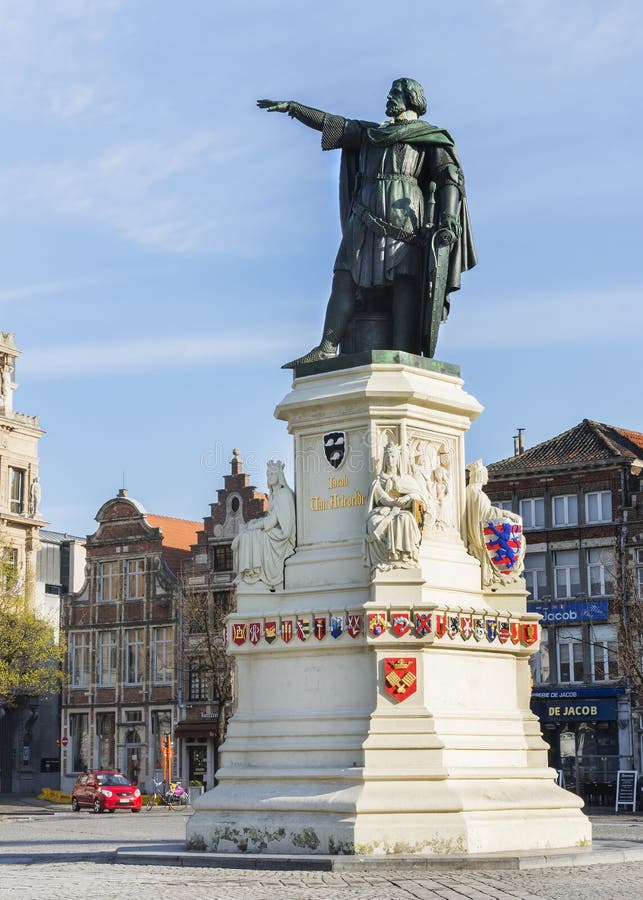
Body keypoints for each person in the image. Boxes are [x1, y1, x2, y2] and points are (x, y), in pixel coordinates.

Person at [258, 78, 476, 366]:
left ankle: (404, 350)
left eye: (396, 92)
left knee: (404, 282)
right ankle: (327, 345)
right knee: (345, 276)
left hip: (405, 217)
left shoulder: (430, 137)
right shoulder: (371, 133)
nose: (389, 96)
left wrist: (448, 217)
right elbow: (332, 123)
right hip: (364, 215)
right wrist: (296, 109)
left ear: (412, 98)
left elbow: (448, 178)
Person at [231, 460, 295, 590]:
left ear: (279, 476)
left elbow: (273, 523)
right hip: (274, 530)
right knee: (250, 531)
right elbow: (270, 519)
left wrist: (254, 526)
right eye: (268, 474)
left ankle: (251, 574)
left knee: (250, 536)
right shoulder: (274, 495)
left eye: (272, 473)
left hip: (281, 536)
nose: (269, 476)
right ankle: (246, 573)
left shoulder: (283, 494)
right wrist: (254, 523)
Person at [365, 441, 425, 573]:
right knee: (373, 522)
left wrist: (407, 497)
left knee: (406, 519)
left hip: (401, 510)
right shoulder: (378, 480)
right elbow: (381, 497)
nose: (389, 460)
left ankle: (403, 557)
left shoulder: (406, 479)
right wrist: (393, 503)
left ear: (398, 459)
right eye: (387, 456)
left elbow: (418, 496)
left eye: (392, 456)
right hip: (383, 510)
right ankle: (385, 558)